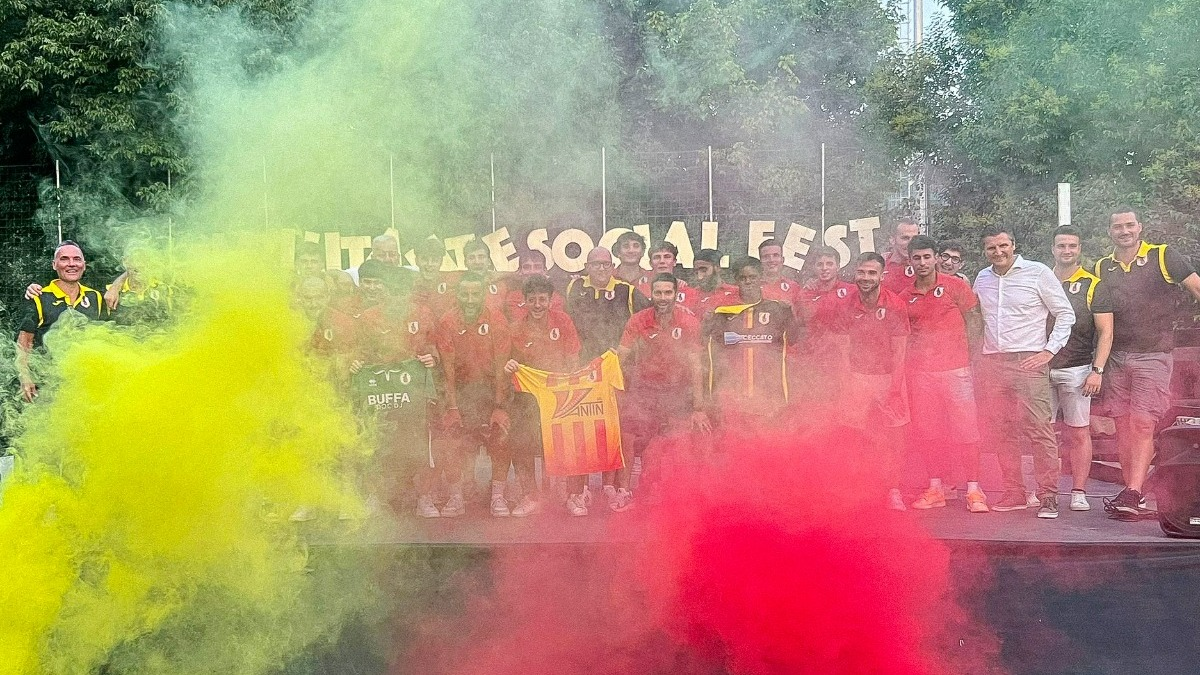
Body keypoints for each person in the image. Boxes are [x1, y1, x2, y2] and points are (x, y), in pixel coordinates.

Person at [1093, 208, 1200, 517]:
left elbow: (1196, 289)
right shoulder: (1102, 267)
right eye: (1118, 226)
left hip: (1153, 354)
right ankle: (1133, 492)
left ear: (1139, 227)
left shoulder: (1163, 255)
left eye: (1129, 225)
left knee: (1142, 422)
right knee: (1123, 427)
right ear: (1109, 231)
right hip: (1116, 357)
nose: (1124, 231)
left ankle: (1134, 491)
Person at [973, 227, 1075, 518]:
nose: (998, 252)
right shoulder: (982, 278)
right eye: (991, 248)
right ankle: (1014, 491)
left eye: (1003, 246)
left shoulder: (1038, 272)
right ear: (985, 250)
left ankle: (1048, 496)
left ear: (1013, 246)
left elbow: (1066, 313)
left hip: (1029, 361)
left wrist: (1049, 351)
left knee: (1040, 429)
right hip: (994, 363)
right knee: (1003, 431)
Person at [896, 235, 988, 513]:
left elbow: (975, 323)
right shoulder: (904, 297)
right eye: (917, 258)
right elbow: (903, 337)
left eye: (927, 257)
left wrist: (971, 361)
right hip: (921, 375)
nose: (923, 263)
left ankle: (973, 489)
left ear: (936, 257)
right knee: (929, 432)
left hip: (957, 370)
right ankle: (936, 488)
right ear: (910, 261)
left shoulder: (956, 286)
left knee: (967, 431)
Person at [616, 273, 711, 510]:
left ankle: (672, 494)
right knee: (627, 438)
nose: (662, 298)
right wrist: (612, 389)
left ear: (676, 294)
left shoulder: (688, 322)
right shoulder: (638, 320)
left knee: (674, 444)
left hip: (676, 392)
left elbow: (696, 366)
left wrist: (698, 408)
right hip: (644, 389)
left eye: (667, 292)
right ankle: (624, 491)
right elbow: (620, 357)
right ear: (651, 293)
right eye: (658, 292)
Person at [824, 253, 910, 509]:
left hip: (888, 377)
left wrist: (895, 390)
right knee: (853, 435)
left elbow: (900, 352)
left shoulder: (895, 304)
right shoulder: (845, 305)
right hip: (857, 376)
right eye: (861, 272)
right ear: (855, 273)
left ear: (882, 276)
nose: (865, 278)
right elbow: (841, 350)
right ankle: (859, 487)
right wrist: (845, 383)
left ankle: (893, 490)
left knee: (894, 436)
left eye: (872, 273)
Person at [353, 266, 440, 517]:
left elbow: (435, 348)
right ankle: (373, 496)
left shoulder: (423, 314)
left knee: (420, 444)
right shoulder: (368, 317)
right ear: (385, 291)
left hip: (412, 394)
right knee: (377, 444)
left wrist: (430, 359)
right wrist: (357, 363)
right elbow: (359, 353)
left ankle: (425, 497)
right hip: (380, 393)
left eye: (404, 291)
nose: (399, 297)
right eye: (394, 291)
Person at [502, 275, 582, 516]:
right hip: (526, 398)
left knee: (559, 444)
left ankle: (564, 494)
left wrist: (569, 385)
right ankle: (531, 495)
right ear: (524, 302)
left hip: (557, 396)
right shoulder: (515, 328)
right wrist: (510, 365)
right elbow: (506, 361)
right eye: (532, 300)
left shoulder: (563, 321)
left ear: (551, 300)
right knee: (523, 445)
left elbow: (573, 357)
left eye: (542, 300)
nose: (537, 305)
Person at [434, 272, 512, 518]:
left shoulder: (497, 319)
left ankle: (498, 496)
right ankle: (457, 498)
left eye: (475, 294)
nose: (469, 299)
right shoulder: (447, 321)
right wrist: (452, 408)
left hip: (491, 391)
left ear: (483, 294)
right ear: (456, 294)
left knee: (501, 437)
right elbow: (447, 369)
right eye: (464, 294)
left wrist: (499, 406)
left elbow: (502, 366)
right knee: (453, 441)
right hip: (462, 392)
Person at [1048, 226, 1114, 512]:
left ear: (1079, 249)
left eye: (1072, 246)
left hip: (1077, 368)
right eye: (1061, 245)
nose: (1066, 251)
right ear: (1053, 249)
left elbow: (1106, 331)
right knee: (1043, 433)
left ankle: (1078, 491)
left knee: (1078, 432)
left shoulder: (1093, 283)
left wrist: (1097, 370)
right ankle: (1045, 491)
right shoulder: (1040, 278)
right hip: (1039, 368)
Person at [703, 257, 798, 441]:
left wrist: (790, 314)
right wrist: (706, 322)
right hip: (733, 395)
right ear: (736, 280)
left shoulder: (777, 309)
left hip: (768, 395)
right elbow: (705, 349)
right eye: (742, 278)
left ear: (761, 277)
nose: (747, 282)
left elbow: (794, 340)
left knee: (767, 447)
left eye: (752, 277)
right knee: (734, 447)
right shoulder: (723, 312)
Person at [16, 241, 110, 402]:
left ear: (84, 265)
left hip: (86, 385)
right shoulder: (38, 297)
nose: (71, 264)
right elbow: (24, 344)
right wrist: (24, 377)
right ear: (54, 265)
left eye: (77, 259)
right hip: (48, 384)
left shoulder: (96, 297)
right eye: (64, 259)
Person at [564, 247, 648, 359]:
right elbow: (565, 320)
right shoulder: (575, 286)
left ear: (613, 267)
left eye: (606, 264)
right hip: (583, 359)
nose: (601, 268)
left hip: (616, 360)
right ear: (587, 267)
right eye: (596, 264)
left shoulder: (627, 290)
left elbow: (648, 320)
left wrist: (627, 347)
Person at [503, 249, 564, 320]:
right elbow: (520, 325)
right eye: (527, 267)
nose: (532, 271)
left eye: (537, 267)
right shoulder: (512, 297)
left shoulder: (556, 298)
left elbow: (557, 323)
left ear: (544, 271)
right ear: (519, 271)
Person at [686, 248, 738, 315]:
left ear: (717, 268)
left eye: (704, 270)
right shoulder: (692, 296)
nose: (699, 277)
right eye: (696, 272)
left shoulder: (735, 293)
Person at [757, 239, 802, 308]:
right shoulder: (752, 286)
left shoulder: (794, 287)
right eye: (766, 256)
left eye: (776, 255)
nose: (771, 260)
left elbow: (801, 316)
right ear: (760, 261)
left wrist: (789, 309)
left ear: (782, 260)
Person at [882, 216, 920, 292]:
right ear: (892, 240)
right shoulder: (881, 265)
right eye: (905, 238)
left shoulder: (927, 265)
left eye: (914, 238)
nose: (911, 243)